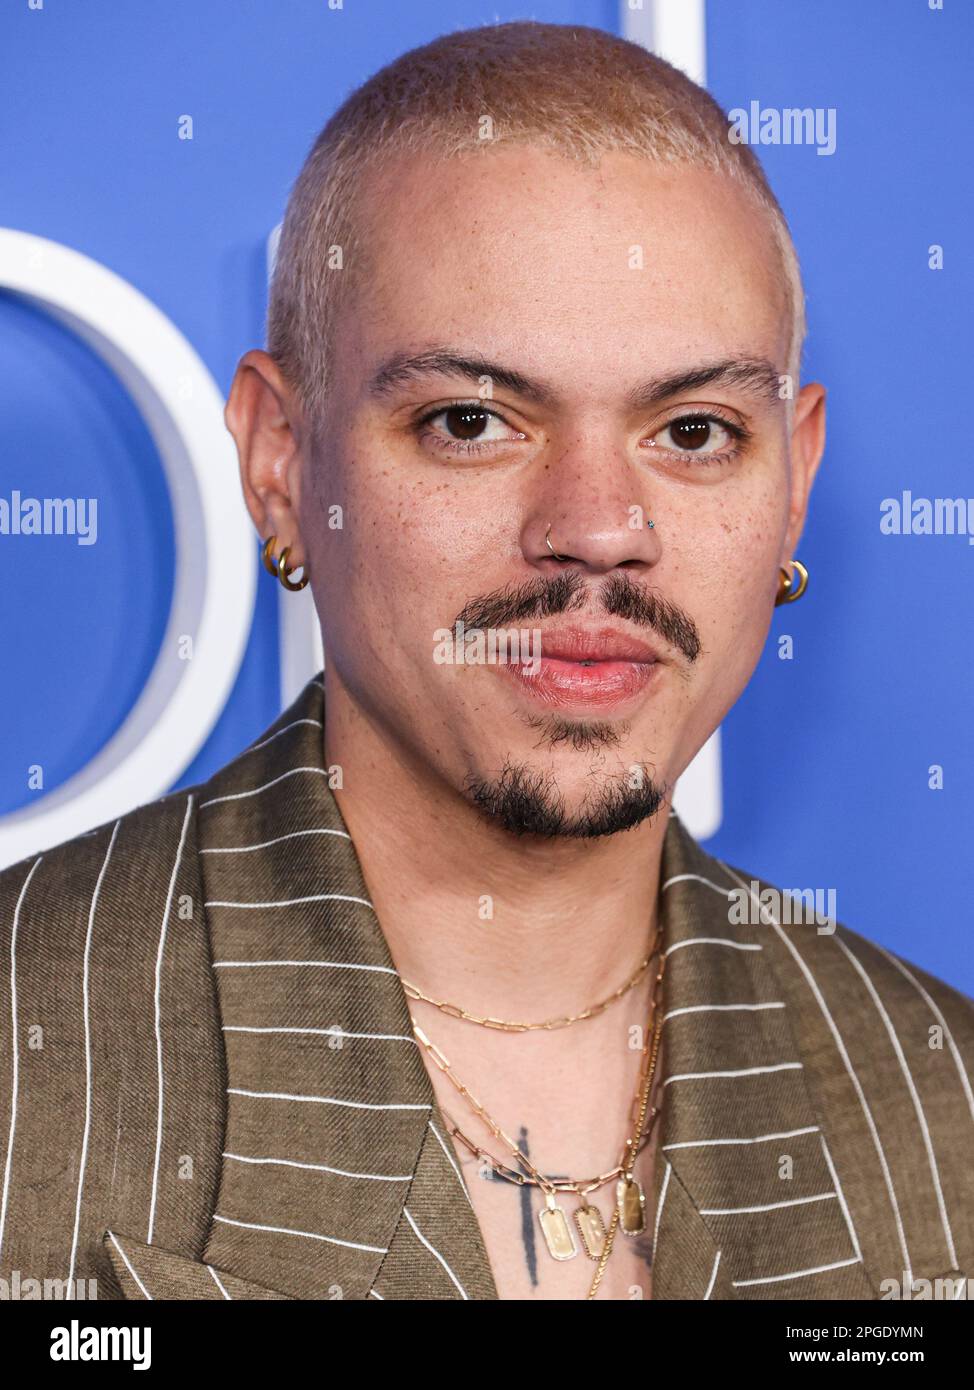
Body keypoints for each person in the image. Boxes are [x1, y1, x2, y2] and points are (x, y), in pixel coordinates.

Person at [1, 21, 972, 1304]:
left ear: (792, 480)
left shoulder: (941, 1100)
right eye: (470, 420)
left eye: (691, 430)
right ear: (280, 461)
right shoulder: (29, 1070)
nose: (595, 529)